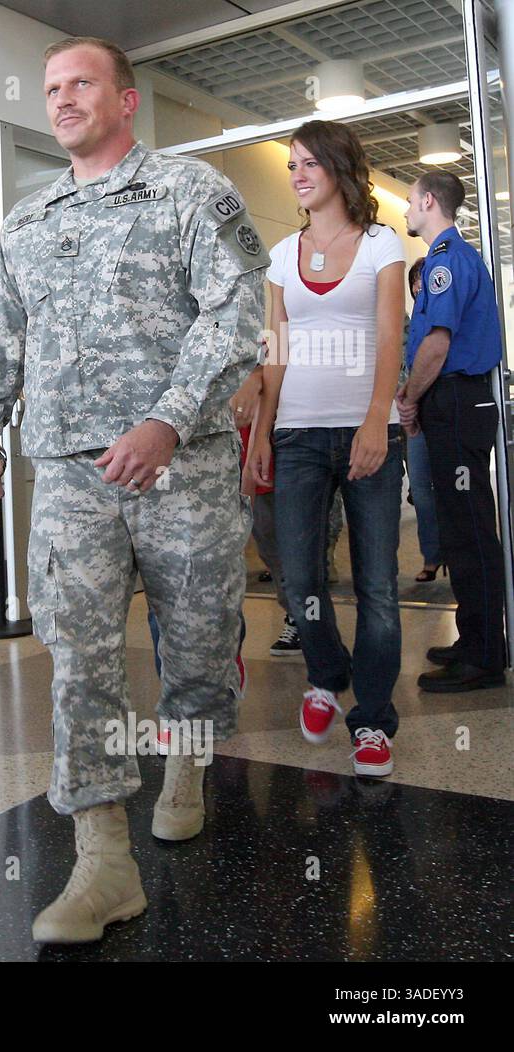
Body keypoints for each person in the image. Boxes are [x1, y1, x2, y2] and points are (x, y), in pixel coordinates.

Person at [0, 36, 266, 943]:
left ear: (127, 101)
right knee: (80, 657)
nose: (61, 99)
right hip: (69, 476)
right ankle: (103, 860)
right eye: (51, 87)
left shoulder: (192, 191)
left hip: (186, 465)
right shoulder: (27, 220)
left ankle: (187, 764)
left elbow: (238, 314)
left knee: (202, 641)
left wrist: (167, 418)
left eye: (81, 82)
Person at [248, 120, 406, 778]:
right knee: (300, 575)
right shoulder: (284, 254)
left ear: (341, 169)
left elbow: (391, 336)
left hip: (368, 429)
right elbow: (276, 349)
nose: (298, 175)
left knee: (376, 583)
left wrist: (376, 418)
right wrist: (262, 428)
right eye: (292, 166)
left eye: (309, 163)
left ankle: (371, 720)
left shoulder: (380, 245)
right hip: (298, 433)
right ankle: (326, 672)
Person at [398, 171, 507, 691]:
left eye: (409, 201)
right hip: (455, 401)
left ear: (427, 201)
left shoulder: (445, 263)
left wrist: (409, 398)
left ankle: (485, 657)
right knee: (460, 525)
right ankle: (475, 638)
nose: (405, 209)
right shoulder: (452, 259)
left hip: (457, 400)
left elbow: (437, 346)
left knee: (469, 530)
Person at [404, 256, 444, 583]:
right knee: (419, 487)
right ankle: (431, 555)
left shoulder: (442, 317)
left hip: (444, 412)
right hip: (414, 418)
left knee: (451, 486)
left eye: (423, 279)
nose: (419, 285)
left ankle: (454, 556)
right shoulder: (409, 323)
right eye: (415, 280)